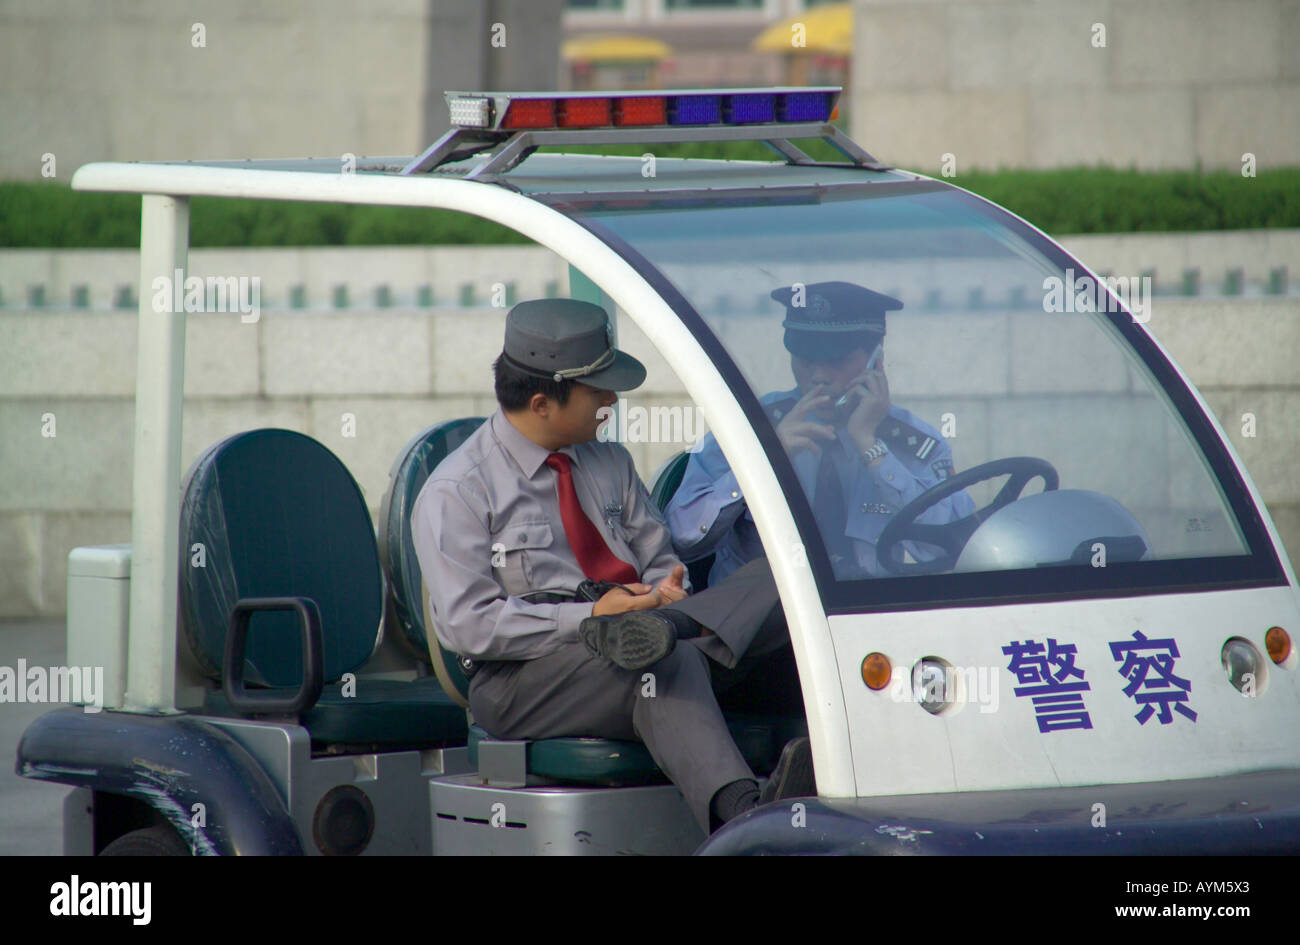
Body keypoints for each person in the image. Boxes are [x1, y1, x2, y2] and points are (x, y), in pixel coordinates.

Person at [410, 298, 811, 835]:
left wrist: (666, 593)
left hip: (653, 634)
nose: (612, 400)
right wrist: (595, 616)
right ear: (542, 402)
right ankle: (743, 817)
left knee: (787, 576)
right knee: (659, 662)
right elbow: (471, 627)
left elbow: (661, 564)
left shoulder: (609, 462)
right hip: (525, 676)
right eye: (598, 390)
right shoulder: (458, 491)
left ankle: (670, 631)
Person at [667, 281, 975, 583]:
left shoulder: (913, 443)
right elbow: (683, 537)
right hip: (768, 624)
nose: (818, 377)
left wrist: (873, 451)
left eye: (835, 361)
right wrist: (766, 461)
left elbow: (956, 551)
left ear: (876, 361)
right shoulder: (748, 427)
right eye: (805, 361)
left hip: (873, 615)